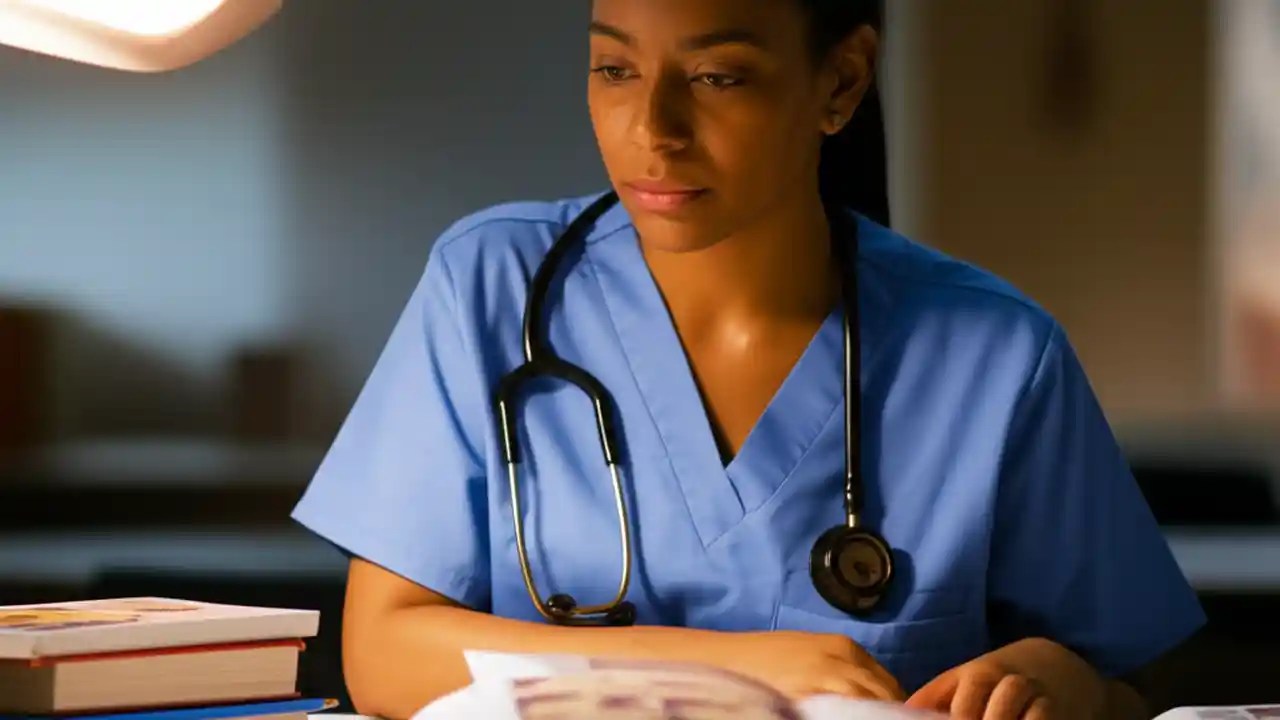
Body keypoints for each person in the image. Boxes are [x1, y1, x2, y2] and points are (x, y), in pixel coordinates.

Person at [290, 1, 1206, 718]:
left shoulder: (998, 355)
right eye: (613, 67)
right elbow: (383, 655)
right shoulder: (487, 285)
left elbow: (1132, 686)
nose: (654, 127)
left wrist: (1069, 682)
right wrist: (741, 671)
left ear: (841, 83)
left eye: (719, 77)